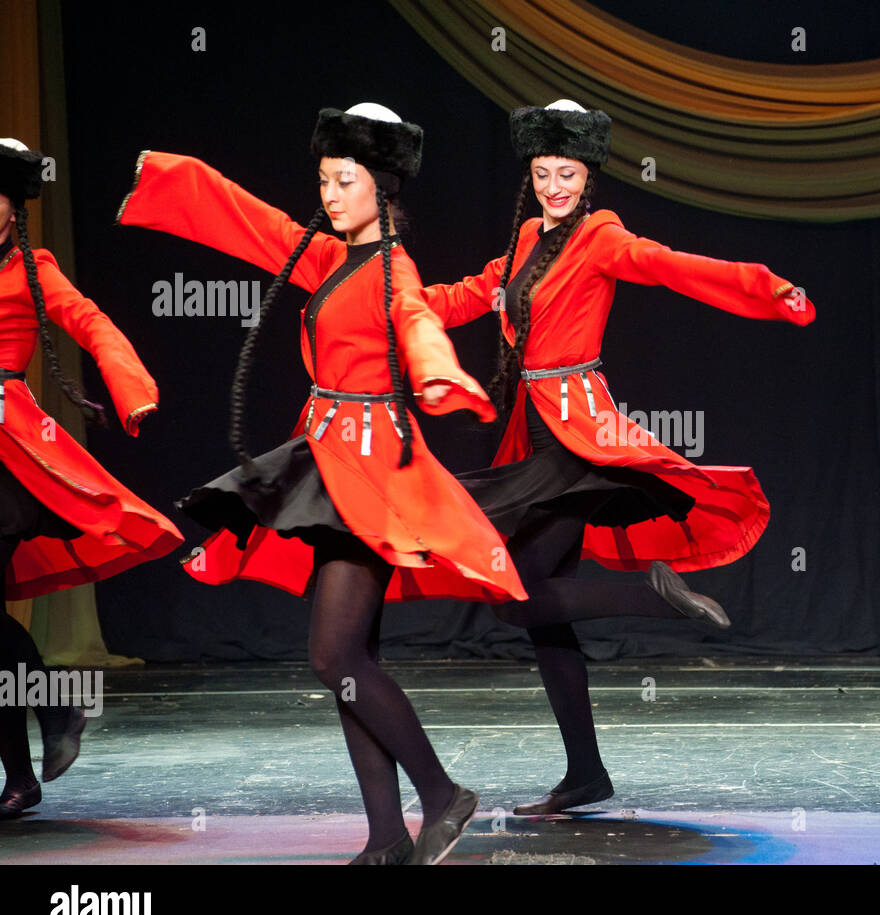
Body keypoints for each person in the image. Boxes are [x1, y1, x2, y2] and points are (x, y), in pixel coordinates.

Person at [117, 104, 526, 864]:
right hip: (328, 468)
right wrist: (170, 181)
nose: (330, 194)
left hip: (371, 481)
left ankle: (441, 793)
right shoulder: (328, 256)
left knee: (334, 657)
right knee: (349, 661)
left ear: (383, 187)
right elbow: (255, 223)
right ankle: (383, 835)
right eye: (323, 180)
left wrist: (440, 378)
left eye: (345, 181)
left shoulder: (392, 264)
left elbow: (416, 321)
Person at [395, 100, 814, 815]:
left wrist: (766, 287)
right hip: (533, 433)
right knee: (534, 609)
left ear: (588, 174)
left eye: (567, 173)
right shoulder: (528, 236)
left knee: (518, 592)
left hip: (578, 436)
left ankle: (649, 592)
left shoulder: (600, 237)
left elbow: (673, 267)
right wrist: (401, 305)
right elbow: (476, 293)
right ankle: (586, 772)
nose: (555, 185)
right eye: (542, 172)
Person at [1, 137, 182, 819]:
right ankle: (30, 760)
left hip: (7, 446)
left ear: (15, 208)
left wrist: (131, 386)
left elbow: (92, 323)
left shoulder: (34, 269)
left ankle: (54, 713)